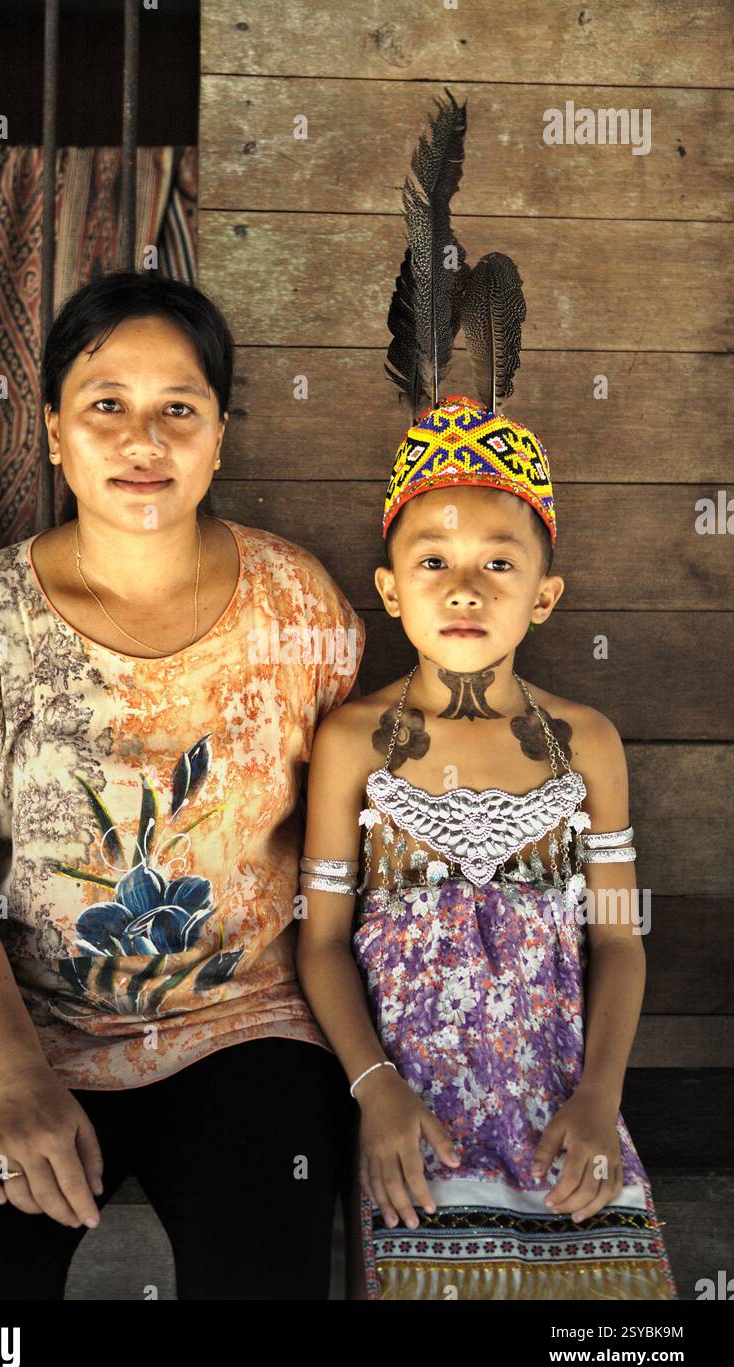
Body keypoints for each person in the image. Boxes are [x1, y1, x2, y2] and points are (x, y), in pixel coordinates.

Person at [0, 269, 365, 1300]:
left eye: (177, 409)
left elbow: (350, 842)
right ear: (56, 430)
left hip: (245, 1021)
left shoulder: (299, 606)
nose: (141, 439)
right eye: (105, 404)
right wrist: (18, 1082)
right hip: (26, 1022)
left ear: (220, 435)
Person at [293, 89, 678, 1301]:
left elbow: (617, 940)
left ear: (547, 595)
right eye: (434, 561)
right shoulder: (356, 743)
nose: (467, 585)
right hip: (404, 1111)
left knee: (609, 1318)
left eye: (499, 563)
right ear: (388, 591)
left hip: (565, 1102)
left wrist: (602, 1096)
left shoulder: (586, 745)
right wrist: (373, 1089)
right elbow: (316, 944)